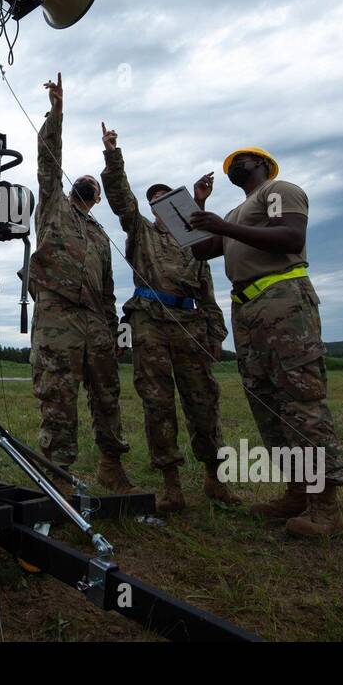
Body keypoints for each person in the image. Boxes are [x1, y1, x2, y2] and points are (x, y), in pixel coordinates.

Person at [187, 148, 343, 537]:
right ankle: (296, 493)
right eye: (230, 166)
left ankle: (324, 505)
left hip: (283, 302)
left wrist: (223, 229)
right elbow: (200, 250)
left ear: (263, 165)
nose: (234, 166)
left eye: (243, 160)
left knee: (301, 400)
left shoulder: (279, 191)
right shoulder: (233, 215)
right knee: (268, 404)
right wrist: (195, 209)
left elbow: (290, 237)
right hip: (246, 309)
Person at [99, 123, 238, 512]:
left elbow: (208, 294)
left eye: (168, 201)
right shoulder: (140, 231)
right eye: (156, 202)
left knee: (203, 402)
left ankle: (215, 479)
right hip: (149, 325)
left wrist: (215, 334)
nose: (162, 208)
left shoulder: (195, 246)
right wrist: (113, 152)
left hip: (190, 327)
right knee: (157, 404)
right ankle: (172, 486)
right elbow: (122, 199)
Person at [29, 74, 139, 495]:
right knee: (58, 397)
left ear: (96, 199)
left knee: (107, 395)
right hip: (58, 317)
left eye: (95, 185)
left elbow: (110, 291)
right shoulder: (53, 207)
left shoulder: (99, 236)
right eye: (86, 180)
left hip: (96, 322)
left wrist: (114, 331)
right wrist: (57, 112)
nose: (90, 184)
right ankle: (56, 478)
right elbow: (47, 159)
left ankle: (112, 466)